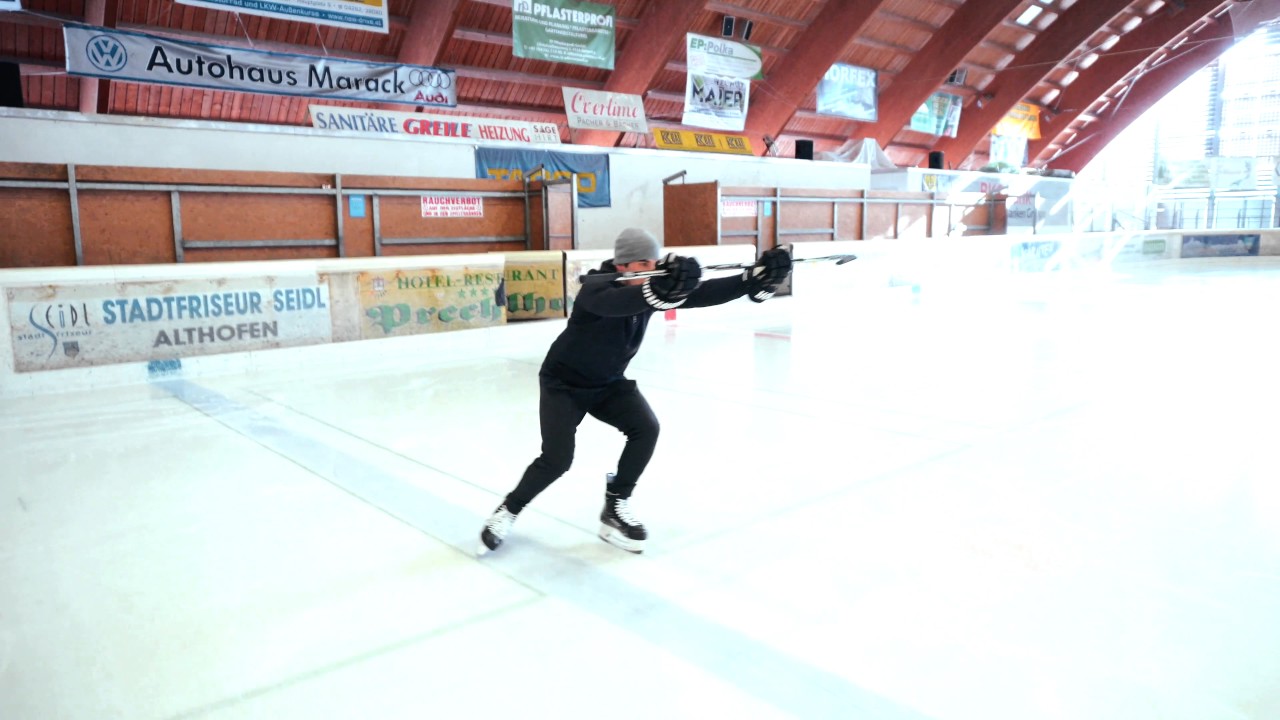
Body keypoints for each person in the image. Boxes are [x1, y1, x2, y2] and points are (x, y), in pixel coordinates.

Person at [478, 228, 792, 555]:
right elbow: (618, 304)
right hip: (564, 385)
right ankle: (508, 510)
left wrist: (748, 280)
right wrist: (657, 292)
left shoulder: (648, 287)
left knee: (646, 429)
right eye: (643, 263)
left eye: (653, 262)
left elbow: (700, 294)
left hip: (608, 382)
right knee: (557, 460)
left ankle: (616, 504)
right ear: (623, 265)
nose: (651, 268)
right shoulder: (596, 289)